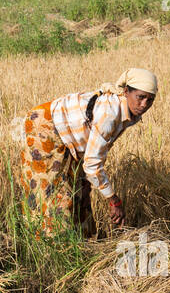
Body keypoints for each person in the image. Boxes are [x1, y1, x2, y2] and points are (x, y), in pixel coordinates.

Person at [14, 68, 158, 237]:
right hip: (45, 126)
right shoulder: (109, 113)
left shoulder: (129, 112)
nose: (144, 105)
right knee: (53, 193)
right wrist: (113, 200)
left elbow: (91, 151)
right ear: (126, 92)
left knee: (81, 189)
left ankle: (82, 244)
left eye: (150, 100)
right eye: (140, 97)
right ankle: (50, 249)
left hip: (70, 138)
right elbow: (92, 163)